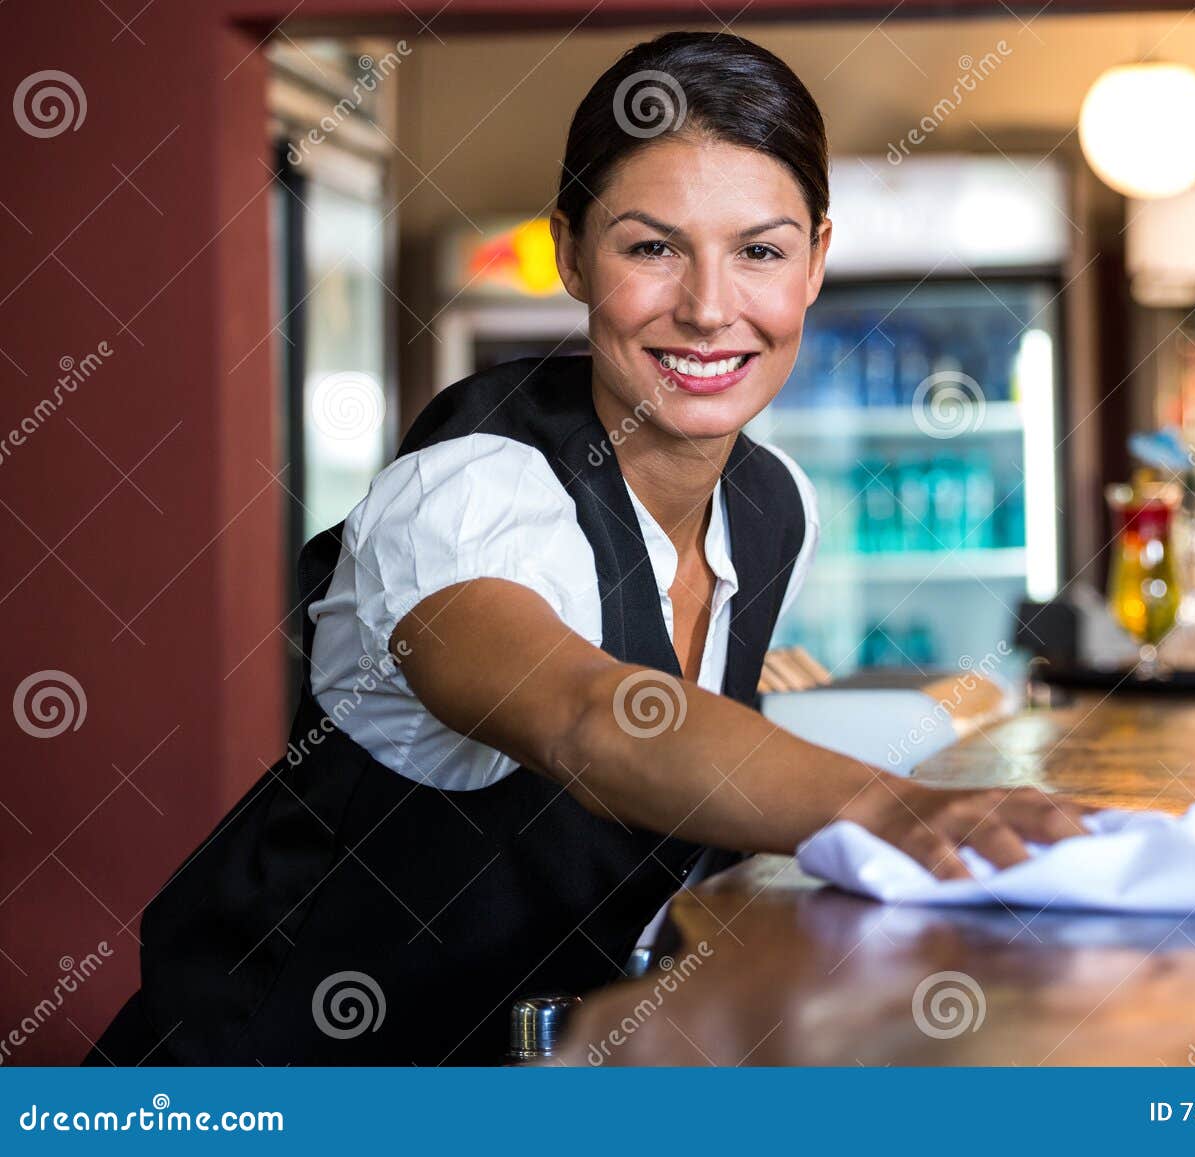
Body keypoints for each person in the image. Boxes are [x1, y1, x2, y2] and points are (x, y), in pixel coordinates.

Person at [88, 29, 1087, 1066]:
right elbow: (591, 717)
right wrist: (897, 809)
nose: (708, 308)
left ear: (816, 259)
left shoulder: (773, 503)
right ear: (570, 251)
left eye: (760, 249)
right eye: (650, 247)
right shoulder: (467, 494)